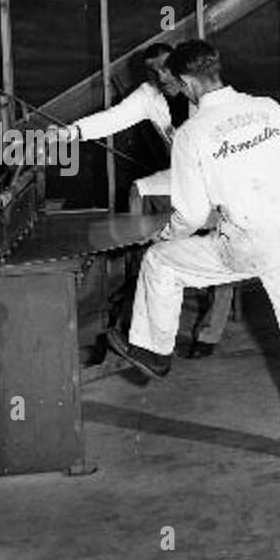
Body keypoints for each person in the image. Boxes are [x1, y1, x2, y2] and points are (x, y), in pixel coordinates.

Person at [105, 39, 280, 464]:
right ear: (217, 69)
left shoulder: (191, 135)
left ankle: (155, 351)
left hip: (241, 247)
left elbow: (193, 213)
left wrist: (166, 236)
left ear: (185, 81)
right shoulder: (266, 108)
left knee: (160, 263)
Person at [72, 43, 235, 358]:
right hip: (183, 176)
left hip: (220, 181)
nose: (161, 76)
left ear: (184, 70)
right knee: (140, 190)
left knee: (223, 241)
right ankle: (139, 304)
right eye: (154, 70)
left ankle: (209, 332)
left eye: (166, 67)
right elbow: (112, 118)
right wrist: (69, 133)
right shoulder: (149, 95)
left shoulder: (211, 98)